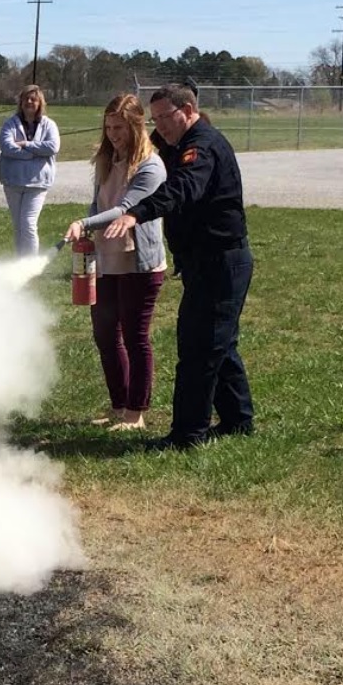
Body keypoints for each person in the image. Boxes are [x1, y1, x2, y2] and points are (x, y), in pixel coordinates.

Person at [104, 83, 255, 450]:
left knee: (199, 350)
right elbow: (146, 140)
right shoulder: (175, 140)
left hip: (221, 261)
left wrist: (137, 212)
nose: (160, 127)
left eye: (165, 118)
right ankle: (238, 420)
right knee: (220, 344)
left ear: (188, 110)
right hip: (204, 262)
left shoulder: (200, 147)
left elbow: (183, 188)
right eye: (154, 119)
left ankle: (188, 434)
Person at [63, 94, 167, 431]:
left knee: (135, 337)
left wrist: (84, 223)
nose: (112, 134)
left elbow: (125, 207)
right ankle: (119, 405)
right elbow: (99, 205)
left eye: (119, 127)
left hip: (139, 263)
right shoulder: (106, 161)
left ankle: (136, 413)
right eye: (108, 127)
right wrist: (87, 232)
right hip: (106, 261)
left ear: (137, 126)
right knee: (105, 334)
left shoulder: (151, 166)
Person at [0, 84, 60, 256]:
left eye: (33, 99)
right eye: (26, 98)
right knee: (18, 226)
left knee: (28, 223)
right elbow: (6, 146)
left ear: (40, 102)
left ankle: (31, 266)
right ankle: (20, 262)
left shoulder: (49, 125)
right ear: (21, 102)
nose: (29, 102)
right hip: (13, 182)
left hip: (38, 183)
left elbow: (53, 146)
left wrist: (27, 145)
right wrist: (33, 155)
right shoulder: (10, 123)